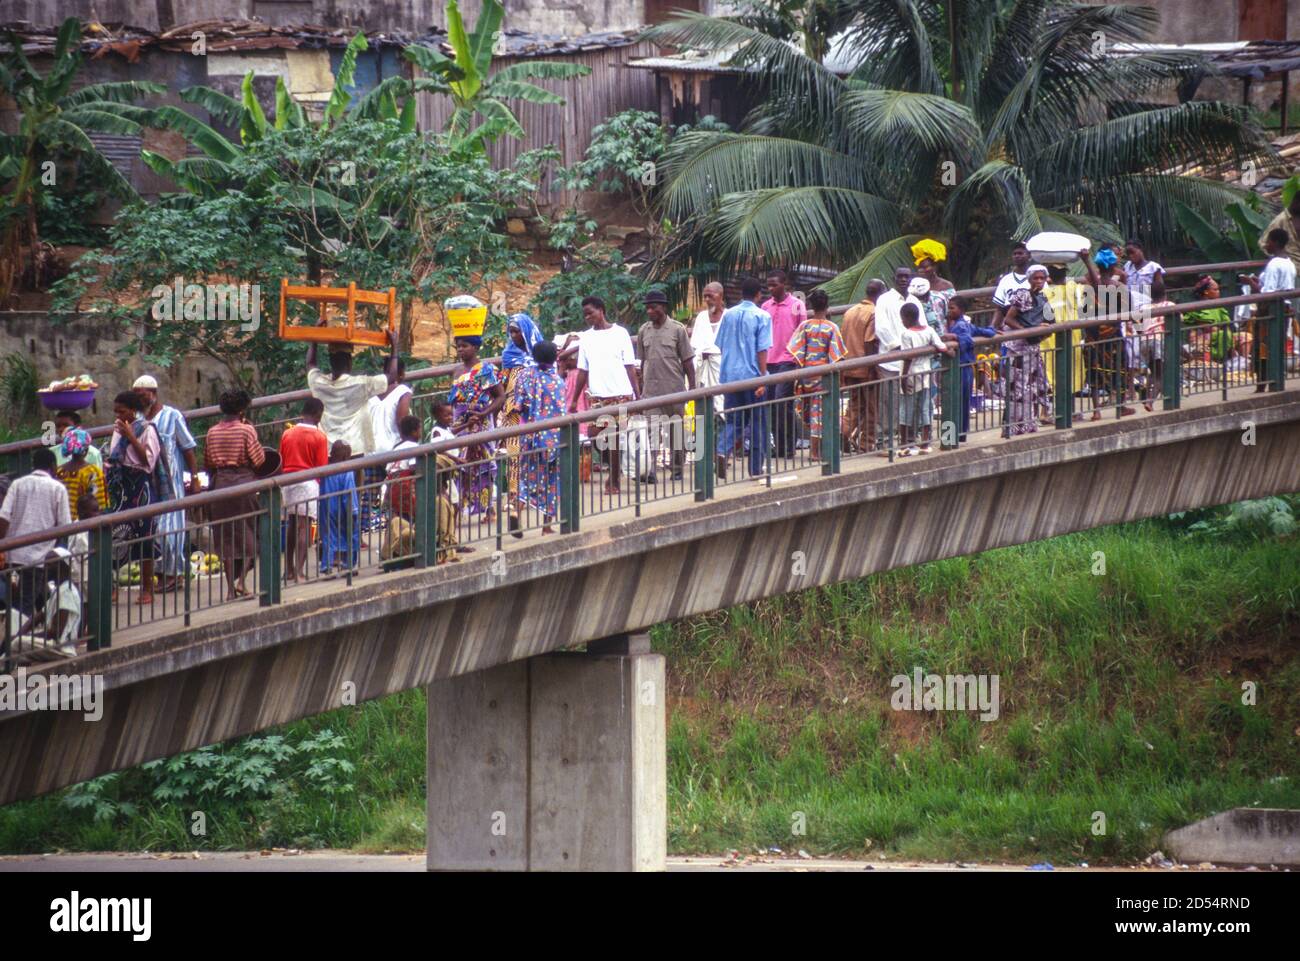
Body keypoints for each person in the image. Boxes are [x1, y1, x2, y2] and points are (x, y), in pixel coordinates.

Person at [568, 296, 639, 494]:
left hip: (621, 394)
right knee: (594, 435)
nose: (588, 317)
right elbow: (583, 369)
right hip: (598, 396)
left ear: (601, 310)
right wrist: (574, 400)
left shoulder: (620, 333)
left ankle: (614, 480)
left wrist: (637, 395)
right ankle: (614, 469)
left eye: (590, 312)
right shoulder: (587, 337)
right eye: (585, 315)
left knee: (615, 437)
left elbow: (630, 366)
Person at [135, 375, 200, 594]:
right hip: (147, 483)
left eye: (143, 395)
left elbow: (188, 448)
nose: (141, 399)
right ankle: (162, 575)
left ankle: (174, 574)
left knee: (170, 530)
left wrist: (195, 477)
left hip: (171, 483)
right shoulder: (137, 419)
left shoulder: (172, 416)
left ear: (153, 393)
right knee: (153, 531)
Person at [203, 389, 264, 599]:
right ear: (241, 409)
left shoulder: (212, 432)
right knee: (249, 532)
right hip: (243, 484)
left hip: (220, 486)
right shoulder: (246, 431)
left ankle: (230, 590)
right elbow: (258, 459)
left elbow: (208, 462)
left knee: (225, 537)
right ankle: (242, 582)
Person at [106, 390, 165, 605]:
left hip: (141, 485)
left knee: (145, 535)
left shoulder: (147, 430)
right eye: (116, 412)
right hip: (122, 487)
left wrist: (130, 436)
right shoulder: (117, 429)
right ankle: (112, 586)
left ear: (132, 411)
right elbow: (114, 454)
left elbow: (148, 461)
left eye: (122, 411)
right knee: (114, 534)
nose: (118, 416)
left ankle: (147, 588)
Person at [306, 326, 400, 456]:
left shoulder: (319, 383)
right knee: (356, 475)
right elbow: (392, 377)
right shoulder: (360, 384)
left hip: (328, 452)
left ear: (331, 362)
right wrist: (394, 347)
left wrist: (314, 338)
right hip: (354, 451)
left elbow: (310, 364)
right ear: (350, 362)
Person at [0, 448, 72, 616]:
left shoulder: (17, 484)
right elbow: (65, 526)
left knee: (24, 597)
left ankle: (36, 630)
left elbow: (3, 517)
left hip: (14, 555)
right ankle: (16, 640)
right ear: (53, 467)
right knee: (25, 603)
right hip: (38, 557)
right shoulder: (58, 488)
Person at [714, 276, 772, 479]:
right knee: (757, 422)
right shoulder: (762, 316)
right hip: (752, 377)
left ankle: (722, 449)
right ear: (758, 295)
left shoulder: (728, 315)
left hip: (730, 376)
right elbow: (762, 349)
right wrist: (763, 377)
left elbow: (720, 344)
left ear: (741, 294)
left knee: (734, 421)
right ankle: (756, 469)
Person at [636, 289, 696, 481]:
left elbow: (687, 360)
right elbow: (642, 362)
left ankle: (677, 469)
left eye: (653, 307)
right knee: (651, 432)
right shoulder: (643, 330)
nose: (649, 311)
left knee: (675, 432)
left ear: (663, 307)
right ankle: (650, 471)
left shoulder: (678, 330)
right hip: (651, 392)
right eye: (647, 308)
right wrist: (640, 390)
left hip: (674, 389)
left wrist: (692, 388)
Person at [448, 334, 506, 518]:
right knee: (460, 465)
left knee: (483, 464)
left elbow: (500, 397)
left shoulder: (486, 370)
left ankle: (489, 508)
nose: (460, 350)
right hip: (460, 423)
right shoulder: (457, 371)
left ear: (475, 347)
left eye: (464, 346)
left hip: (479, 421)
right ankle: (459, 508)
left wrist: (483, 413)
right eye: (458, 346)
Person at [513, 340, 566, 534]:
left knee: (527, 477)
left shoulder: (525, 375)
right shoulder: (557, 382)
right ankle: (546, 526)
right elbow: (560, 412)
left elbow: (518, 405)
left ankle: (516, 513)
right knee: (552, 480)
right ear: (555, 358)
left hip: (528, 435)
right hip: (550, 438)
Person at [787, 289, 846, 459]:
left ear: (811, 306)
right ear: (827, 307)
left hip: (806, 375)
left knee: (810, 412)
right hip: (823, 376)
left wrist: (800, 376)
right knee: (819, 413)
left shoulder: (804, 326)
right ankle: (816, 452)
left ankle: (816, 450)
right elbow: (837, 356)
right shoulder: (832, 327)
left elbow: (796, 352)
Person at [500, 313, 545, 533]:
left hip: (535, 412)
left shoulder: (539, 353)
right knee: (513, 453)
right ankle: (514, 494)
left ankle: (533, 495)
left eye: (517, 331)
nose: (514, 335)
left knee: (534, 454)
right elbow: (504, 380)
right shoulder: (508, 354)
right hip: (513, 411)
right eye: (511, 331)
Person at [873, 267, 924, 455]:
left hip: (912, 361)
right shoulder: (884, 300)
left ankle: (909, 439)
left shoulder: (914, 300)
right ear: (894, 278)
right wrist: (898, 347)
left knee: (911, 400)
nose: (903, 279)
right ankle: (884, 443)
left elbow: (922, 325)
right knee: (889, 402)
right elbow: (881, 328)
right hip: (891, 360)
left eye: (906, 277)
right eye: (900, 276)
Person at [1000, 265, 1055, 436]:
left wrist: (1040, 332)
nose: (1039, 281)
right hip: (1017, 348)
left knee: (1030, 387)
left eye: (1042, 278)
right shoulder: (1023, 295)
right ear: (1029, 279)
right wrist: (1026, 331)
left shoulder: (1043, 298)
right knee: (1017, 388)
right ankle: (1014, 426)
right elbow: (1009, 319)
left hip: (1032, 348)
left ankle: (1028, 424)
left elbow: (1050, 321)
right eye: (1035, 278)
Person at [759, 269, 807, 458]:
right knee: (771, 405)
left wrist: (800, 362)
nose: (771, 288)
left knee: (782, 403)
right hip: (769, 361)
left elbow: (803, 333)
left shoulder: (797, 305)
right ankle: (779, 446)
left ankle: (789, 445)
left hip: (788, 360)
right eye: (768, 285)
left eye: (774, 284)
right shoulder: (765, 307)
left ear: (784, 284)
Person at [280, 398, 329, 582]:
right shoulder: (319, 437)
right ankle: (299, 571)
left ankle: (289, 569)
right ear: (318, 415)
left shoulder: (288, 433)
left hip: (288, 481)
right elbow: (322, 467)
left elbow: (282, 459)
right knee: (304, 528)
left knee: (292, 524)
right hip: (308, 482)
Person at [1244, 226, 1298, 392]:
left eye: (1268, 242)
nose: (1266, 245)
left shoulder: (1274, 264)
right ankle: (1275, 381)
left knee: (1263, 348)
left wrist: (1251, 283)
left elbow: (1268, 292)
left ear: (1275, 243)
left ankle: (1262, 385)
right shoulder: (1290, 263)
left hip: (1270, 311)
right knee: (1276, 345)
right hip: (1285, 308)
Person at [897, 303, 953, 454]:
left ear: (907, 318)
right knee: (925, 407)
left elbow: (908, 357)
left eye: (902, 319)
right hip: (926, 372)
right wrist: (951, 351)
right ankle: (925, 442)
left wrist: (903, 378)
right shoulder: (929, 330)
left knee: (906, 408)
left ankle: (905, 442)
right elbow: (941, 346)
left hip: (911, 373)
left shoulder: (906, 334)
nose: (902, 322)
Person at [11, 548, 81, 660]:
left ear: (61, 567)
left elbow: (56, 632)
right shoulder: (58, 590)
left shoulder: (67, 592)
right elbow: (38, 617)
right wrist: (20, 632)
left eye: (49, 565)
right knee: (13, 618)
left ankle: (4, 665)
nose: (44, 568)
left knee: (18, 642)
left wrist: (25, 636)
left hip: (60, 648)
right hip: (51, 642)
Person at [841, 279, 886, 453]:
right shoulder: (874, 313)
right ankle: (866, 444)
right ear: (880, 294)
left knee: (854, 405)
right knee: (871, 408)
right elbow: (870, 342)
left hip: (849, 365)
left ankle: (842, 432)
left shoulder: (850, 311)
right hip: (865, 367)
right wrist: (872, 367)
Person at [945, 296, 997, 441]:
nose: (949, 311)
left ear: (961, 310)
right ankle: (960, 434)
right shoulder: (962, 324)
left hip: (961, 367)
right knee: (961, 401)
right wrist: (992, 331)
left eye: (952, 308)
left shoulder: (960, 326)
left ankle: (953, 437)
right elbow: (982, 331)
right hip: (962, 368)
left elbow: (967, 340)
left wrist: (953, 336)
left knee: (958, 401)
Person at [319, 440, 360, 578]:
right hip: (344, 508)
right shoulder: (347, 471)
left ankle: (327, 566)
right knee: (351, 535)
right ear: (345, 456)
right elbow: (350, 491)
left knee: (329, 536)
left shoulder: (326, 470)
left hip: (327, 507)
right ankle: (348, 565)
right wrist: (354, 509)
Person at [691, 281, 726, 415]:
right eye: (705, 296)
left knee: (724, 407)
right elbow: (695, 346)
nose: (707, 300)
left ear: (720, 296)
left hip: (722, 370)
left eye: (710, 296)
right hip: (702, 370)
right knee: (703, 408)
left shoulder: (728, 316)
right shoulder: (701, 317)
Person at [56, 428, 107, 520]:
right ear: (86, 449)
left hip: (61, 525)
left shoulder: (59, 471)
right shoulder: (93, 472)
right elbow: (99, 504)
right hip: (83, 526)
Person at [1258, 191, 1300, 274]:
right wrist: (1280, 257)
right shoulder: (1280, 220)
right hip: (1290, 271)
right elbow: (1263, 244)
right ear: (1297, 202)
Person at [991, 243, 1032, 328]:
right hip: (1008, 326)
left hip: (1031, 323)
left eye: (1020, 253)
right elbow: (999, 308)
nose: (1017, 256)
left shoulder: (1036, 278)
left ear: (1029, 256)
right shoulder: (1006, 280)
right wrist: (992, 328)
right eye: (1015, 254)